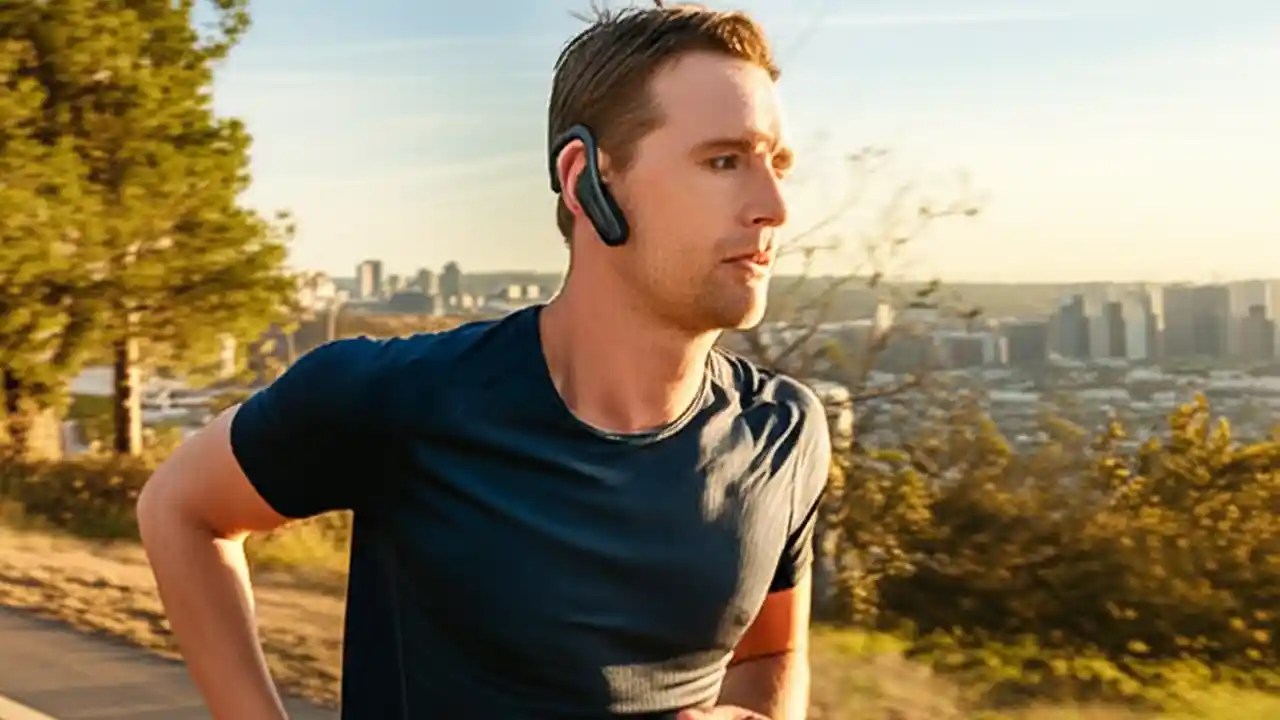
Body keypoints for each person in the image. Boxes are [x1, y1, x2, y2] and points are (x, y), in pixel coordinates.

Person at [136, 2, 831, 719]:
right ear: (588, 178)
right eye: (724, 161)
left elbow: (770, 655)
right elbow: (180, 508)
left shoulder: (784, 434)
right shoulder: (403, 398)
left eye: (777, 163)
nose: (774, 204)